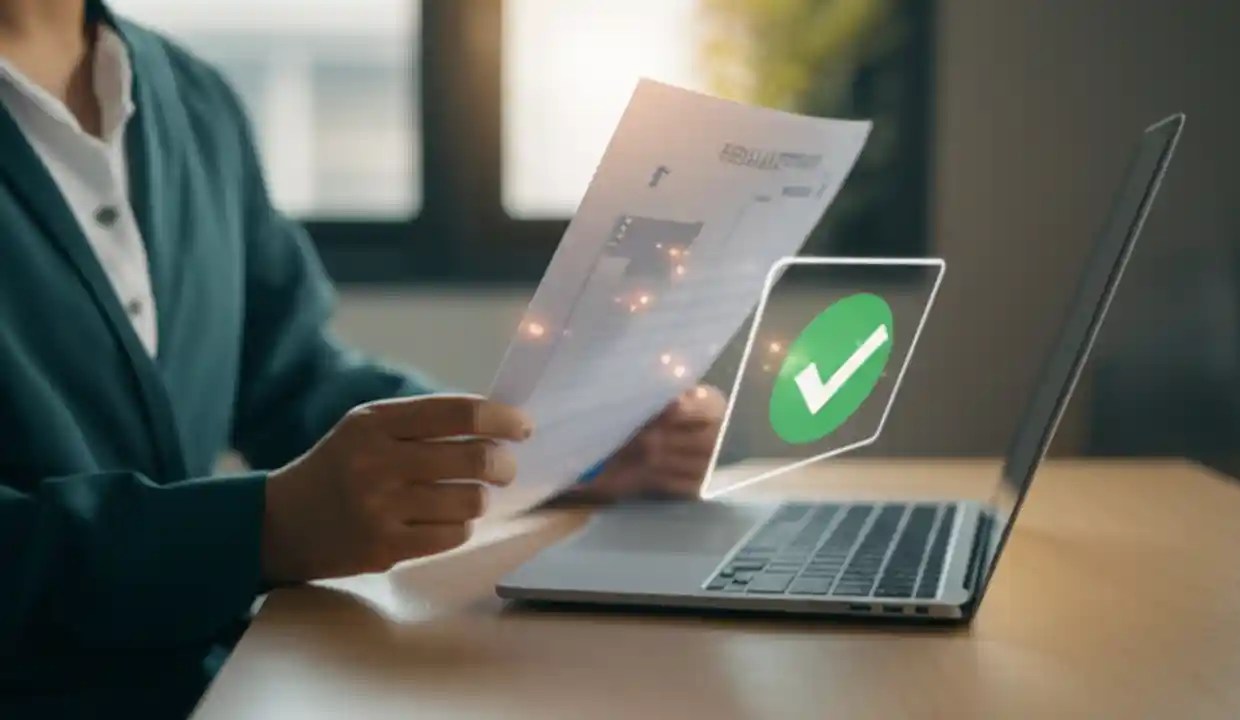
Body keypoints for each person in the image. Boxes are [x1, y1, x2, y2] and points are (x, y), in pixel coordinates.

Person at [0, 1, 727, 716]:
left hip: (216, 689)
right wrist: (261, 529)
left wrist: (556, 448)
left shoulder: (192, 99)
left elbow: (292, 378)